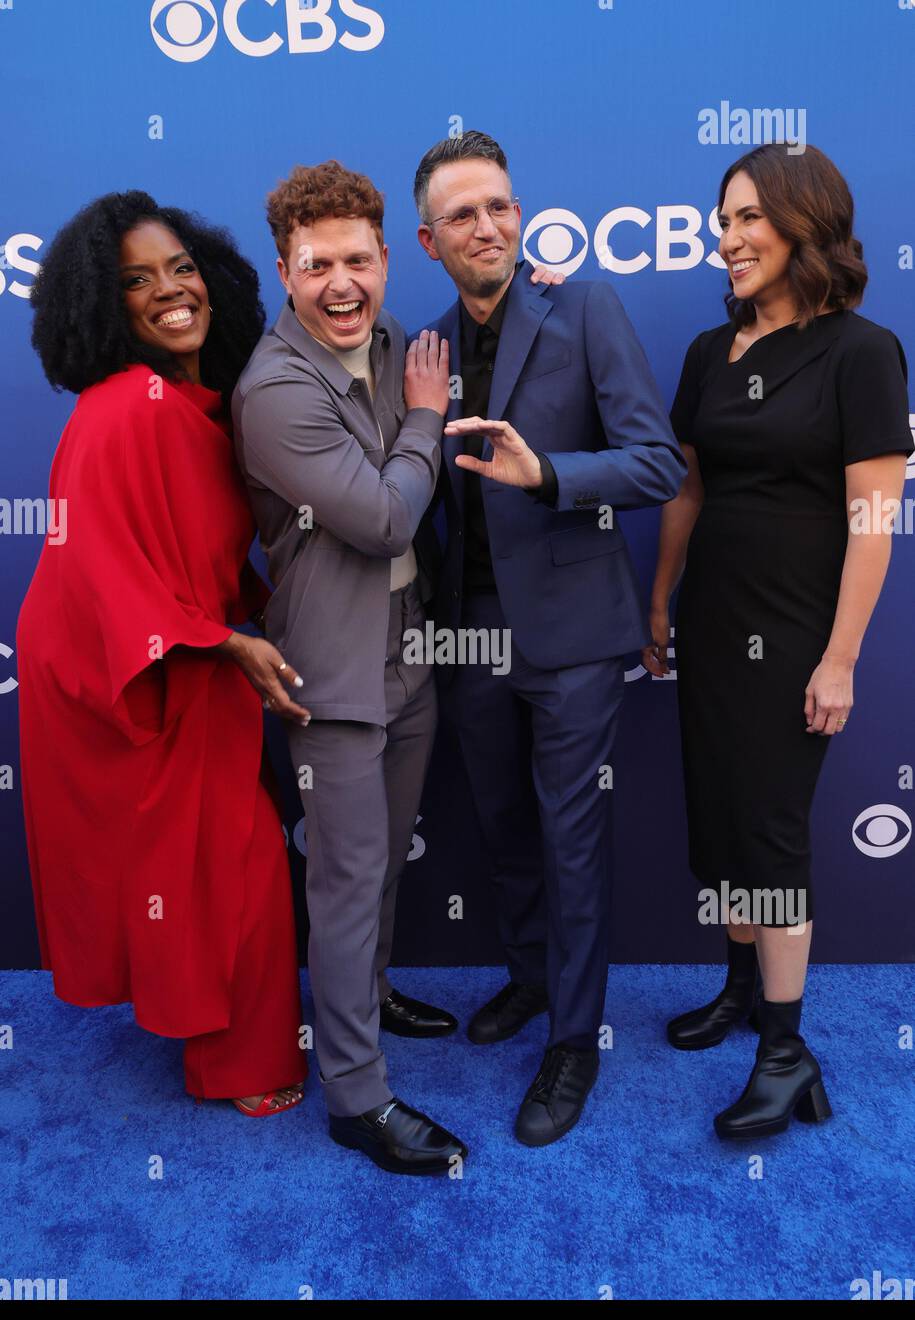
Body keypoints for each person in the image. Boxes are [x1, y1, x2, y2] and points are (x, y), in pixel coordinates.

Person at [412, 131, 686, 1147]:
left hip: (571, 634)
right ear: (429, 239)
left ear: (518, 213)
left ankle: (575, 1041)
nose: (488, 226)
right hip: (467, 635)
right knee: (502, 825)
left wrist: (552, 475)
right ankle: (530, 980)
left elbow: (656, 462)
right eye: (463, 215)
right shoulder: (424, 346)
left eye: (501, 206)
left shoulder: (582, 306)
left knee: (571, 838)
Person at [18, 192, 309, 1116]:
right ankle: (242, 1064)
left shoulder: (192, 402)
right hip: (127, 669)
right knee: (236, 860)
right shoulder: (123, 410)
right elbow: (94, 561)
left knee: (226, 858)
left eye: (182, 267)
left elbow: (197, 548)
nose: (171, 290)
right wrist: (225, 641)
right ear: (104, 308)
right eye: (136, 280)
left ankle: (219, 1036)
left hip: (183, 651)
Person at [643, 143, 911, 1139]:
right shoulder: (714, 355)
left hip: (796, 630)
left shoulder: (862, 351)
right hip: (713, 617)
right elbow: (689, 484)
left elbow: (874, 522)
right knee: (720, 819)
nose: (730, 237)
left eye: (750, 216)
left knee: (769, 834)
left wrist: (839, 657)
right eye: (723, 218)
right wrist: (661, 596)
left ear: (805, 222)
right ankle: (742, 988)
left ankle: (787, 1052)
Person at [232, 161, 468, 1174]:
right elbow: (377, 518)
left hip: (410, 644)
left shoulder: (382, 343)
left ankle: (361, 999)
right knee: (345, 878)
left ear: (384, 258)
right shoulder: (274, 386)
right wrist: (425, 415)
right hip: (331, 669)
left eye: (357, 259)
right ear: (284, 271)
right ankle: (356, 1097)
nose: (341, 281)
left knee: (378, 871)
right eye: (316, 263)